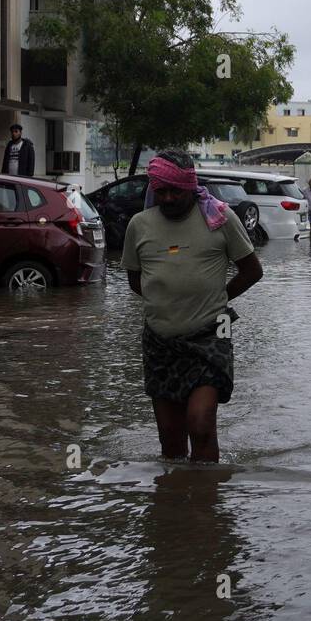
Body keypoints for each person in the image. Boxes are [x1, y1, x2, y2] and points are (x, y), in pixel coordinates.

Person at [122, 150, 263, 463]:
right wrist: (166, 300)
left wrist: (215, 298)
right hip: (160, 342)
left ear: (191, 187)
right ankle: (175, 505)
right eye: (162, 192)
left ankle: (206, 505)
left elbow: (252, 271)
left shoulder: (220, 217)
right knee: (171, 442)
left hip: (209, 336)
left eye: (176, 191)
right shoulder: (139, 225)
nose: (169, 198)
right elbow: (135, 279)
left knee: (199, 425)